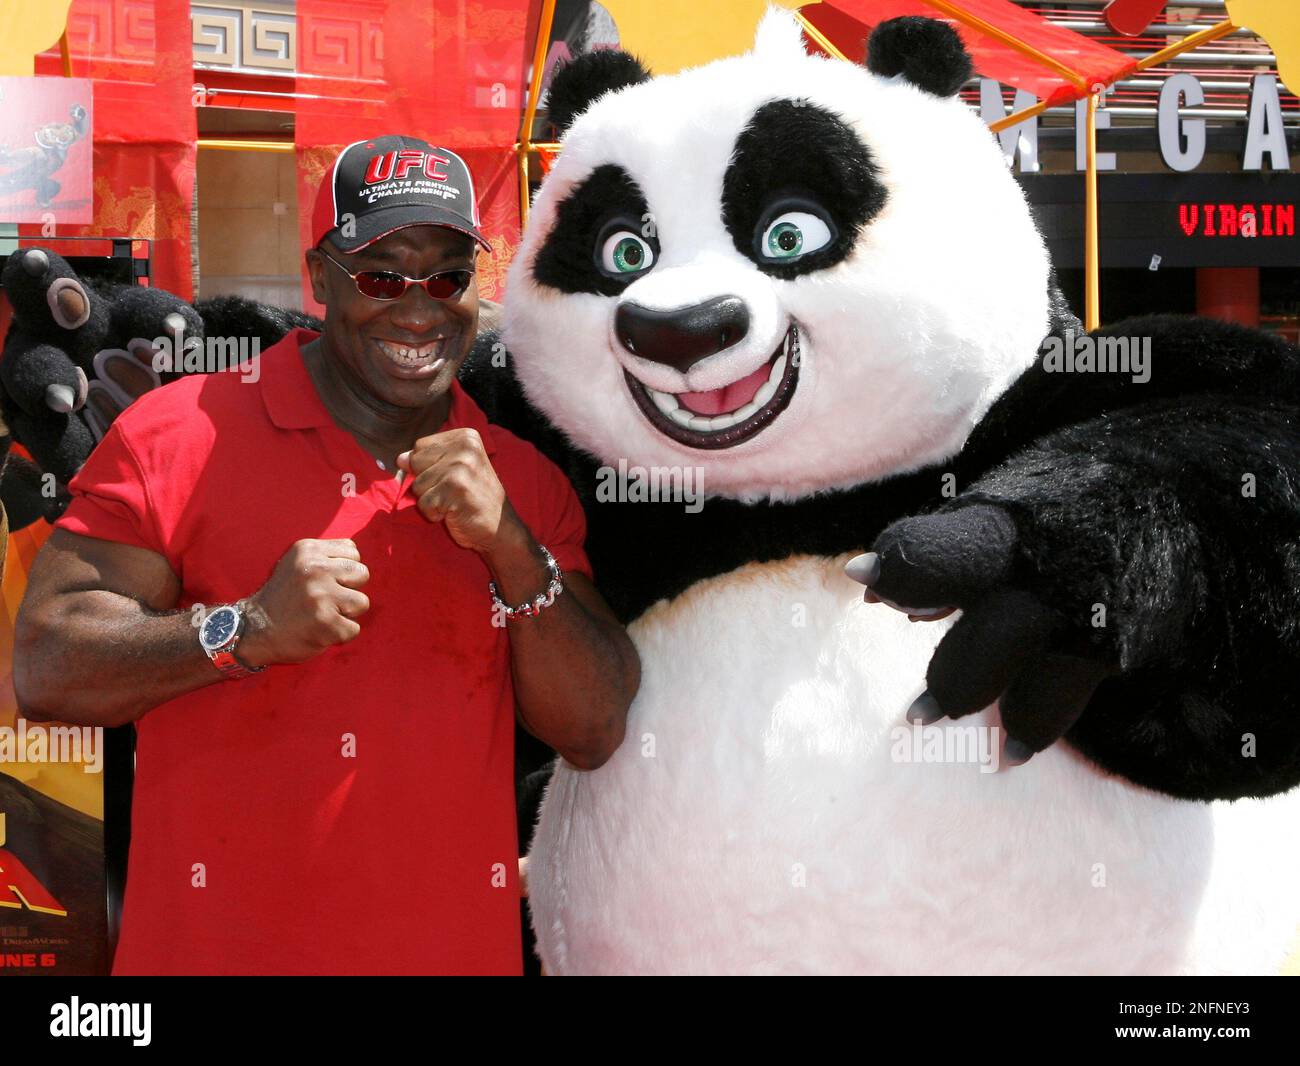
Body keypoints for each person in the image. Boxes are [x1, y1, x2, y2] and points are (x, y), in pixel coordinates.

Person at [13, 136, 639, 975]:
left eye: (448, 277)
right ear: (319, 277)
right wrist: (244, 630)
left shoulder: (519, 475)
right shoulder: (180, 433)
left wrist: (511, 548)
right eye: (382, 276)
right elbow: (49, 665)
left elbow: (594, 728)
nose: (418, 309)